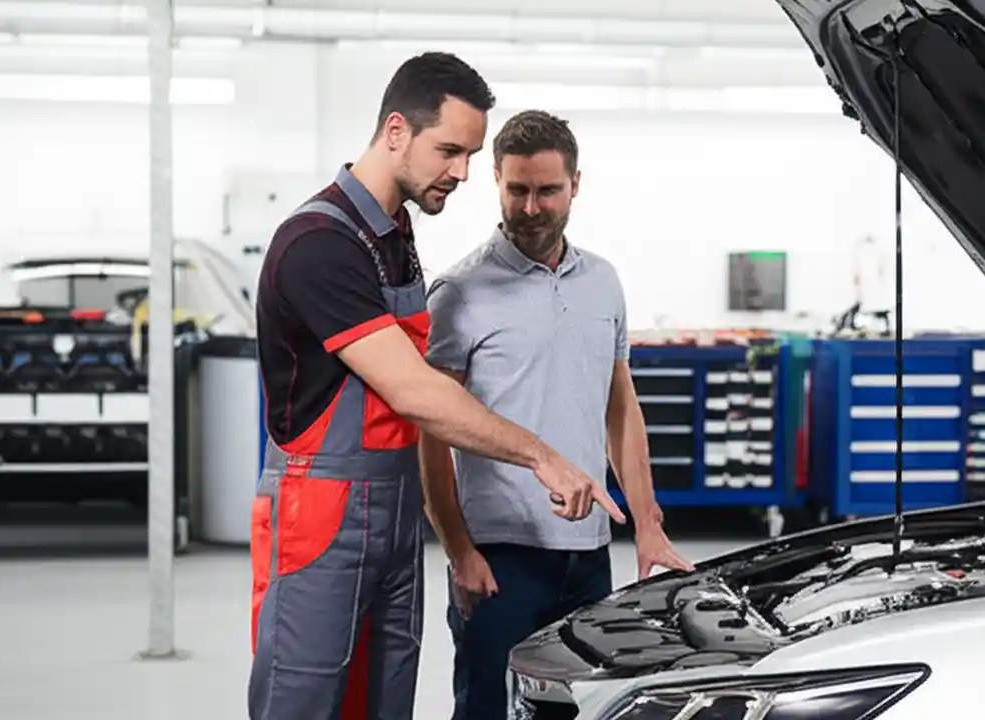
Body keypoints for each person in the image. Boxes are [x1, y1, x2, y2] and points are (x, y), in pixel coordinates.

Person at [248, 57, 624, 720]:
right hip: (323, 510)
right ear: (396, 131)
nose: (461, 172)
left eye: (470, 155)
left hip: (393, 515)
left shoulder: (394, 238)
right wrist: (541, 454)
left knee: (384, 700)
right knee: (303, 700)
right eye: (449, 151)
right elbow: (415, 391)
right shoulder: (317, 243)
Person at [420, 109, 694, 720]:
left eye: (548, 190)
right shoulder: (460, 292)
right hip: (499, 558)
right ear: (495, 180)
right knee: (489, 708)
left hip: (589, 554)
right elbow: (432, 433)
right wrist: (458, 549)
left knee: (576, 712)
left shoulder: (604, 282)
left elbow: (619, 408)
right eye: (517, 189)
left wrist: (646, 525)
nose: (532, 207)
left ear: (575, 185)